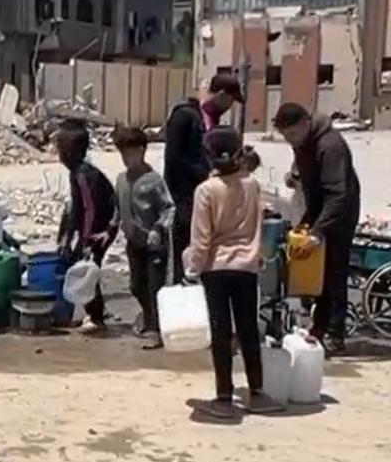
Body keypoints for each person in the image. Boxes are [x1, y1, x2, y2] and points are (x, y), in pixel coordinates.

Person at [186, 129, 283, 418]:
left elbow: (202, 238)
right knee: (248, 329)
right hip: (247, 268)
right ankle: (257, 392)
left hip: (216, 269)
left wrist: (193, 267)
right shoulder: (251, 185)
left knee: (220, 332)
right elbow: (259, 225)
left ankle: (224, 397)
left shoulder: (206, 190)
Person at [274, 102, 360, 353]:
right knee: (317, 273)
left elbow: (338, 194)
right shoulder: (304, 144)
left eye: (291, 134)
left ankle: (335, 333)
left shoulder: (331, 146)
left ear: (305, 124)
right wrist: (307, 224)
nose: (289, 140)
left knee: (333, 272)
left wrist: (319, 230)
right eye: (284, 136)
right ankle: (319, 328)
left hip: (339, 214)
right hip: (319, 208)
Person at [163, 76, 241, 279]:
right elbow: (174, 159)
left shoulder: (211, 121)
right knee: (186, 254)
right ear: (222, 95)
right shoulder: (185, 116)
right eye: (231, 100)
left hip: (207, 198)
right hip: (186, 198)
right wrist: (203, 174)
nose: (230, 106)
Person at [112, 125, 174, 345]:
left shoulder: (154, 180)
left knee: (155, 286)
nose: (125, 159)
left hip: (153, 243)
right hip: (133, 242)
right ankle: (149, 318)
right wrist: (111, 228)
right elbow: (118, 208)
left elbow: (168, 208)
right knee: (136, 286)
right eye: (122, 154)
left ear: (141, 151)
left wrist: (158, 228)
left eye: (129, 153)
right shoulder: (121, 179)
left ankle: (156, 330)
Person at [55, 122, 117, 335]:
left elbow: (90, 209)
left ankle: (97, 317)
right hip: (92, 228)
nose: (57, 154)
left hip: (100, 230)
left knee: (88, 268)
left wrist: (87, 240)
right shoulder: (76, 171)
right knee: (80, 263)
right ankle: (91, 312)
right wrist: (66, 236)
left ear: (68, 151)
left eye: (59, 149)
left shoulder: (83, 174)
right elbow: (75, 209)